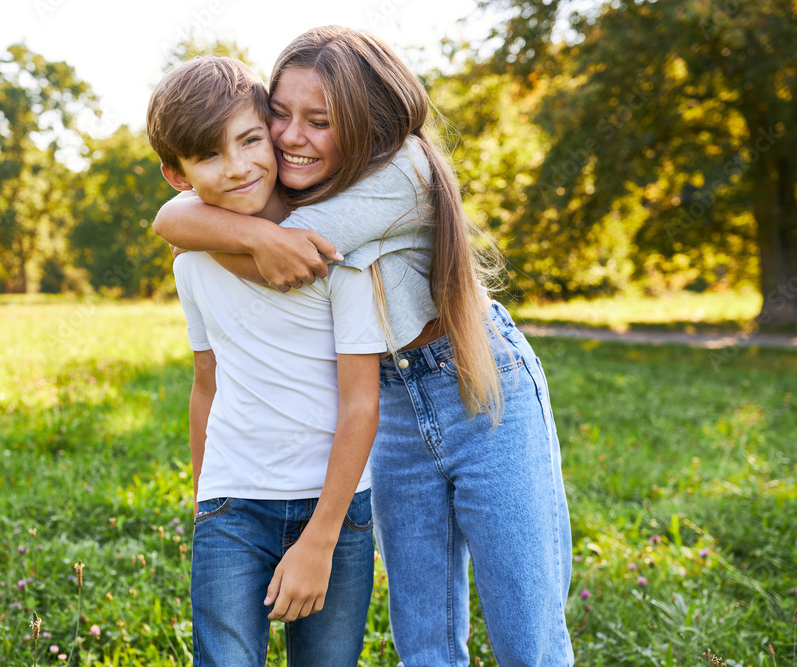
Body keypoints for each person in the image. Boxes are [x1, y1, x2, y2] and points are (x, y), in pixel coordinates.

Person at [153, 27, 575, 667]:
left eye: (319, 121)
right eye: (281, 115)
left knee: (527, 632)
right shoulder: (291, 179)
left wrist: (208, 233)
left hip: (479, 389)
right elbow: (186, 220)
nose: (292, 137)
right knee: (425, 637)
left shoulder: (400, 170)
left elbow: (271, 254)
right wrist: (204, 228)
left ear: (365, 125)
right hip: (390, 402)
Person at [146, 56, 385, 667]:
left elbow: (362, 399)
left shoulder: (342, 253)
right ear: (177, 175)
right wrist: (203, 500)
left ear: (270, 134)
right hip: (231, 504)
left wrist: (323, 537)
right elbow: (207, 383)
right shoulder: (190, 262)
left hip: (335, 509)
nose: (239, 166)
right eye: (209, 156)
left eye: (251, 140)